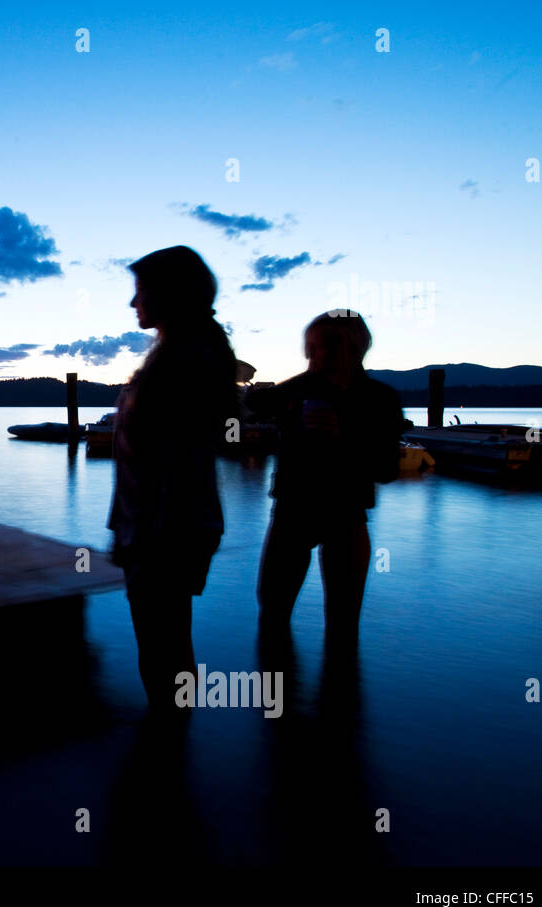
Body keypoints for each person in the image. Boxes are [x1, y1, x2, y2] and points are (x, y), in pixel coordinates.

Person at [108, 246, 238, 712]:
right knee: (166, 637)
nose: (132, 303)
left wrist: (146, 533)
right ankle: (171, 743)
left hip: (166, 525)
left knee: (161, 641)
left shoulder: (188, 358)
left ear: (170, 294)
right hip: (158, 520)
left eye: (140, 291)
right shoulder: (180, 351)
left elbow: (182, 453)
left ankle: (168, 743)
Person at [248, 311, 405, 646]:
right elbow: (250, 404)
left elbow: (387, 471)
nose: (311, 356)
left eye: (319, 347)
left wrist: (343, 436)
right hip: (291, 514)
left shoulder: (381, 400)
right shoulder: (296, 391)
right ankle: (281, 693)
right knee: (273, 615)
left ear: (351, 348)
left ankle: (334, 693)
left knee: (343, 626)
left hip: (347, 517)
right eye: (310, 347)